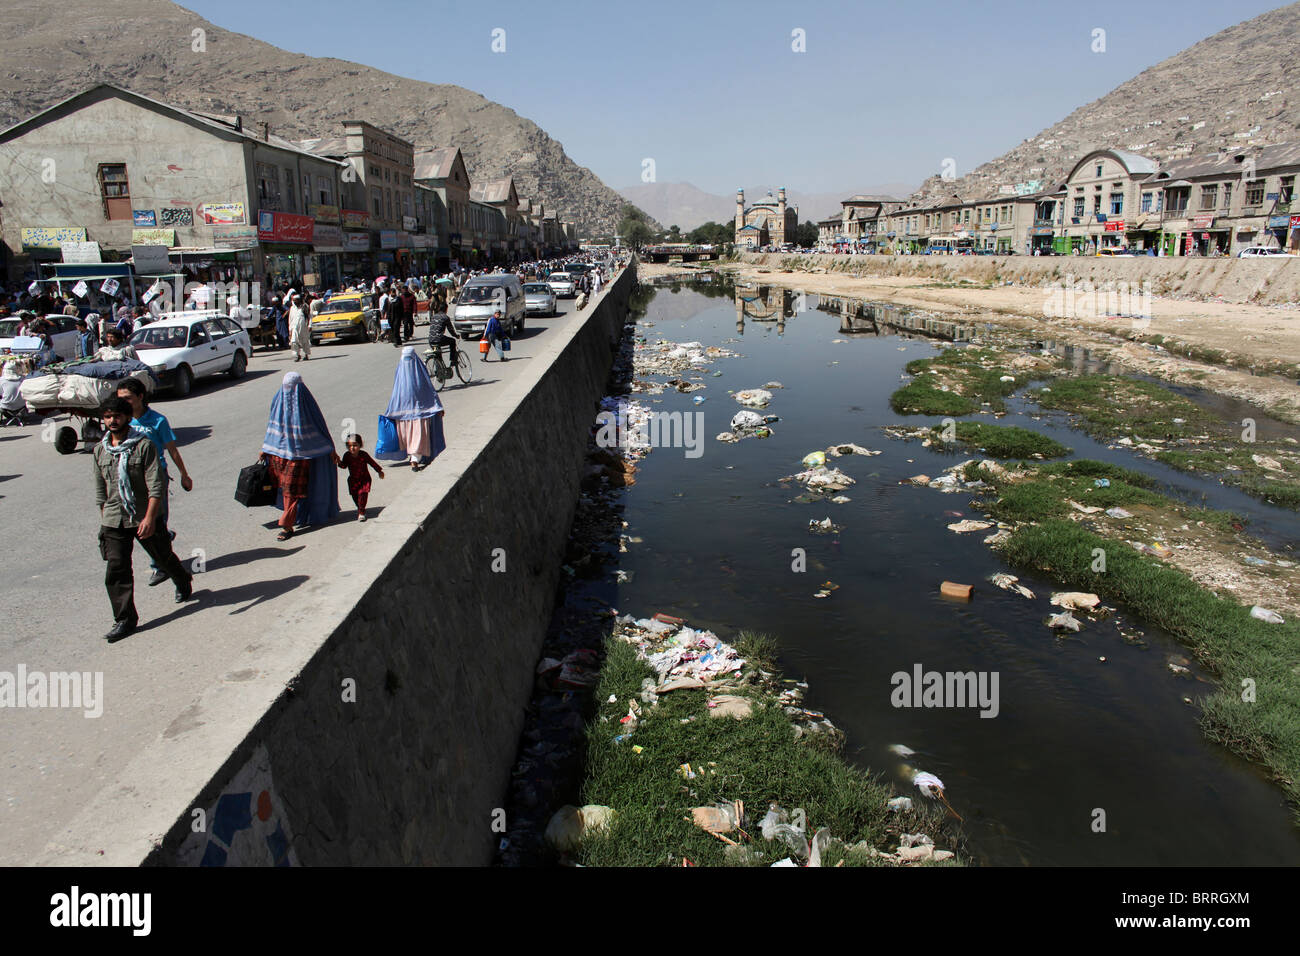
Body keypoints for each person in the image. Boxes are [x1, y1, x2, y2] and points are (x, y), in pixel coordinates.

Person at [93, 397, 195, 642]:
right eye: (107, 417)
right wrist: (104, 521)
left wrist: (149, 517)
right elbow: (100, 491)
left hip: (143, 517)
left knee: (163, 557)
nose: (112, 421)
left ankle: (182, 579)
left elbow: (156, 485)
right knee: (117, 568)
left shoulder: (144, 446)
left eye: (117, 416)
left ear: (128, 418)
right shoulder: (100, 450)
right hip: (114, 519)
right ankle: (125, 619)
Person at [116, 377, 193, 586]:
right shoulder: (121, 420)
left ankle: (159, 567)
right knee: (141, 522)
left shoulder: (158, 421)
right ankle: (164, 538)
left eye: (128, 398)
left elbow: (172, 450)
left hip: (156, 477)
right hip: (131, 479)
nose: (124, 402)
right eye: (120, 398)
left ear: (141, 397)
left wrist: (184, 475)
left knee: (154, 521)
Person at [259, 371, 340, 540]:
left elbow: (319, 427)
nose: (289, 392)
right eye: (287, 387)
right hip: (279, 454)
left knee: (291, 490)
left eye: (292, 388)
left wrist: (330, 449)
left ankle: (286, 526)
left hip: (300, 456)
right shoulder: (278, 400)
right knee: (286, 489)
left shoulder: (306, 403)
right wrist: (265, 448)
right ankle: (297, 516)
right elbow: (271, 424)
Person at [378, 346, 446, 471]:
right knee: (416, 437)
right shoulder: (419, 371)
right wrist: (437, 406)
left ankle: (414, 459)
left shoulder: (401, 371)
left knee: (412, 437)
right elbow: (430, 390)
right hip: (418, 412)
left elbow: (396, 394)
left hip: (406, 413)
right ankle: (414, 459)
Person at [338, 434, 384, 520]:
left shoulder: (364, 455)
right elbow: (344, 466)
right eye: (349, 446)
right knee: (355, 496)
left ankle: (361, 512)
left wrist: (379, 471)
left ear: (360, 445)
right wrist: (338, 462)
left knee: (362, 494)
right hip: (353, 481)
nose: (352, 448)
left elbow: (372, 463)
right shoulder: (347, 455)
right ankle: (360, 508)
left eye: (355, 445)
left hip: (364, 479)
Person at [288, 293, 311, 362]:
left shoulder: (305, 307)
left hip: (303, 327)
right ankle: (297, 355)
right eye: (294, 300)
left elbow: (309, 317)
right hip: (294, 327)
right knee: (294, 341)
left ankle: (306, 354)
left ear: (299, 300)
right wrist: (290, 329)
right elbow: (290, 319)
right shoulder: (292, 308)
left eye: (296, 300)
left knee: (304, 341)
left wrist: (310, 325)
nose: (295, 301)